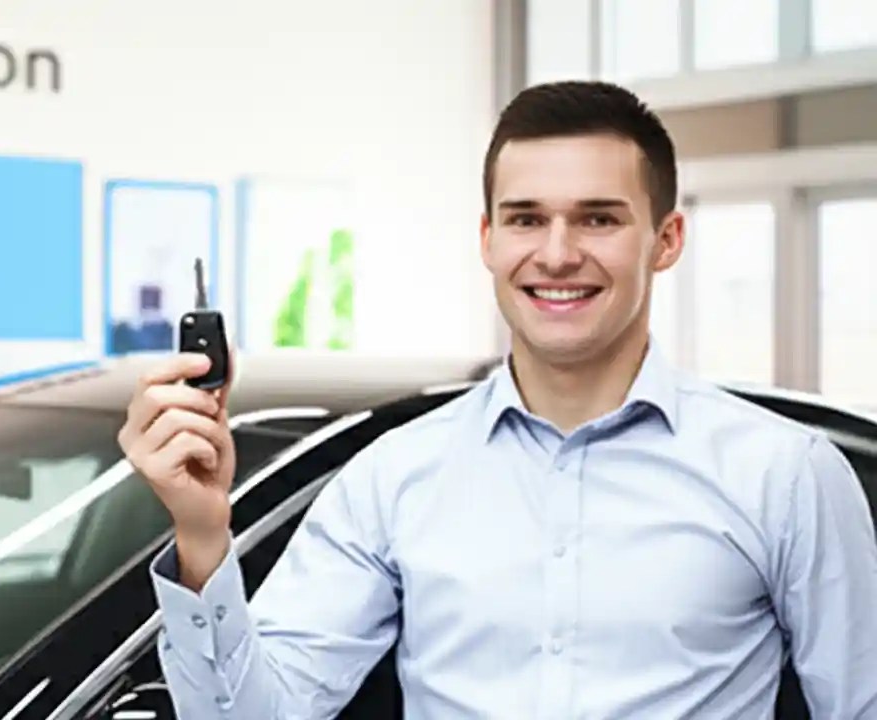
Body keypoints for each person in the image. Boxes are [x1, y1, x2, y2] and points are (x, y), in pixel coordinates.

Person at [116, 80, 877, 718]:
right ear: (488, 239)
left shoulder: (786, 475)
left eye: (599, 218)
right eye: (526, 219)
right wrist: (203, 535)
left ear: (667, 239)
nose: (556, 253)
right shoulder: (394, 478)